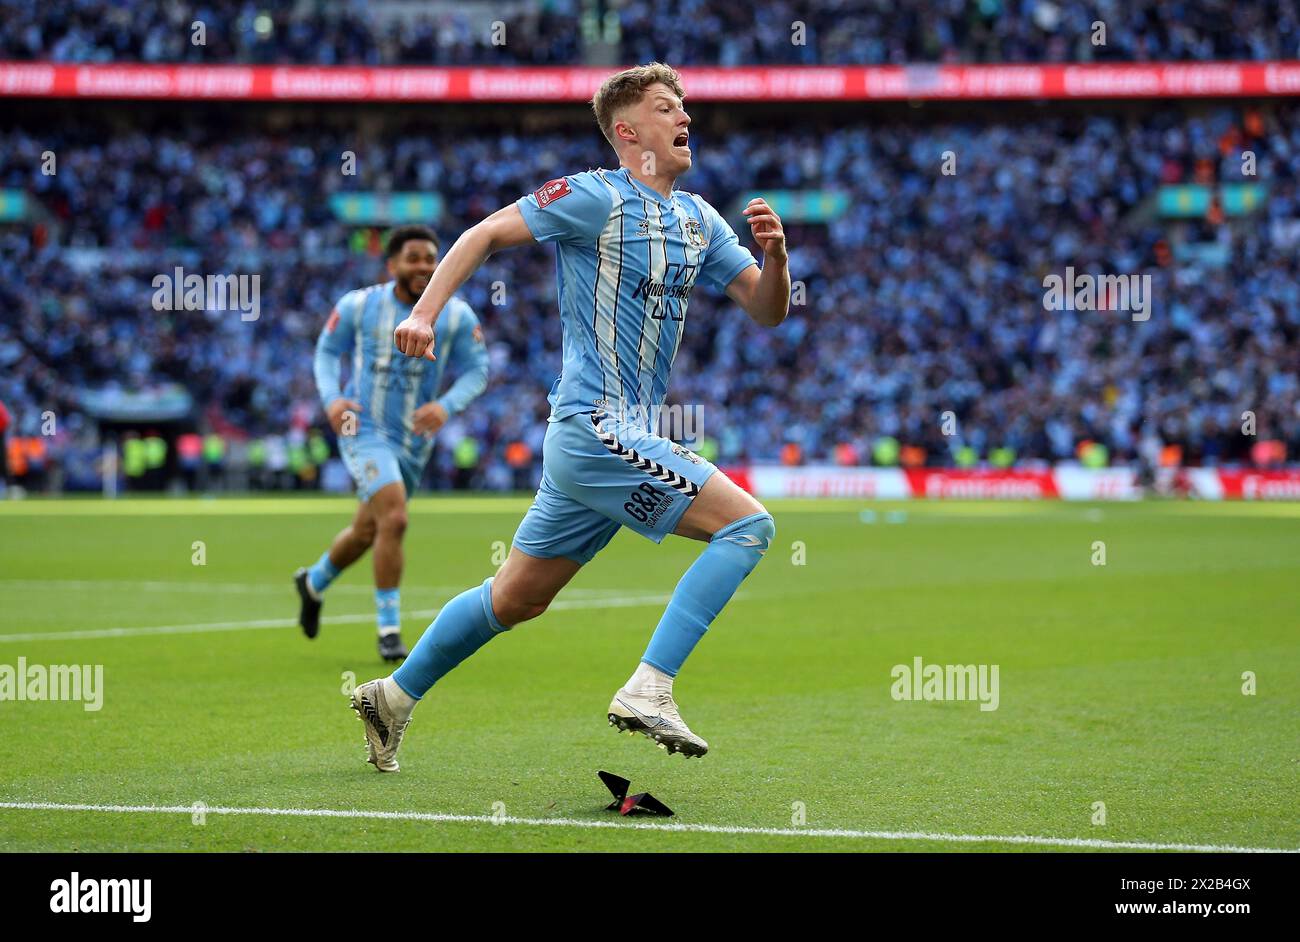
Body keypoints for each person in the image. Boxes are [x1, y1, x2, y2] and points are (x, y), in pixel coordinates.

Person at [349, 63, 790, 771]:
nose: (685, 119)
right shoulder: (593, 197)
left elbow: (768, 311)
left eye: (684, 108)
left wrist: (777, 259)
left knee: (517, 598)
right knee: (747, 525)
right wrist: (424, 314)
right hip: (596, 426)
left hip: (606, 441)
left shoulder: (700, 218)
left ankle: (392, 697)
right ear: (627, 130)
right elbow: (484, 233)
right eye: (665, 107)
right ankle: (650, 687)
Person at [296, 225, 489, 661]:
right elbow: (327, 351)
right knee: (396, 519)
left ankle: (312, 583)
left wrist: (446, 405)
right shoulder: (359, 305)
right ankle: (388, 630)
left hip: (414, 440)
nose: (424, 266)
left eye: (430, 258)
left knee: (369, 529)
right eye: (414, 258)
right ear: (392, 265)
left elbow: (479, 369)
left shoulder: (455, 315)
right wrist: (331, 400)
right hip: (363, 428)